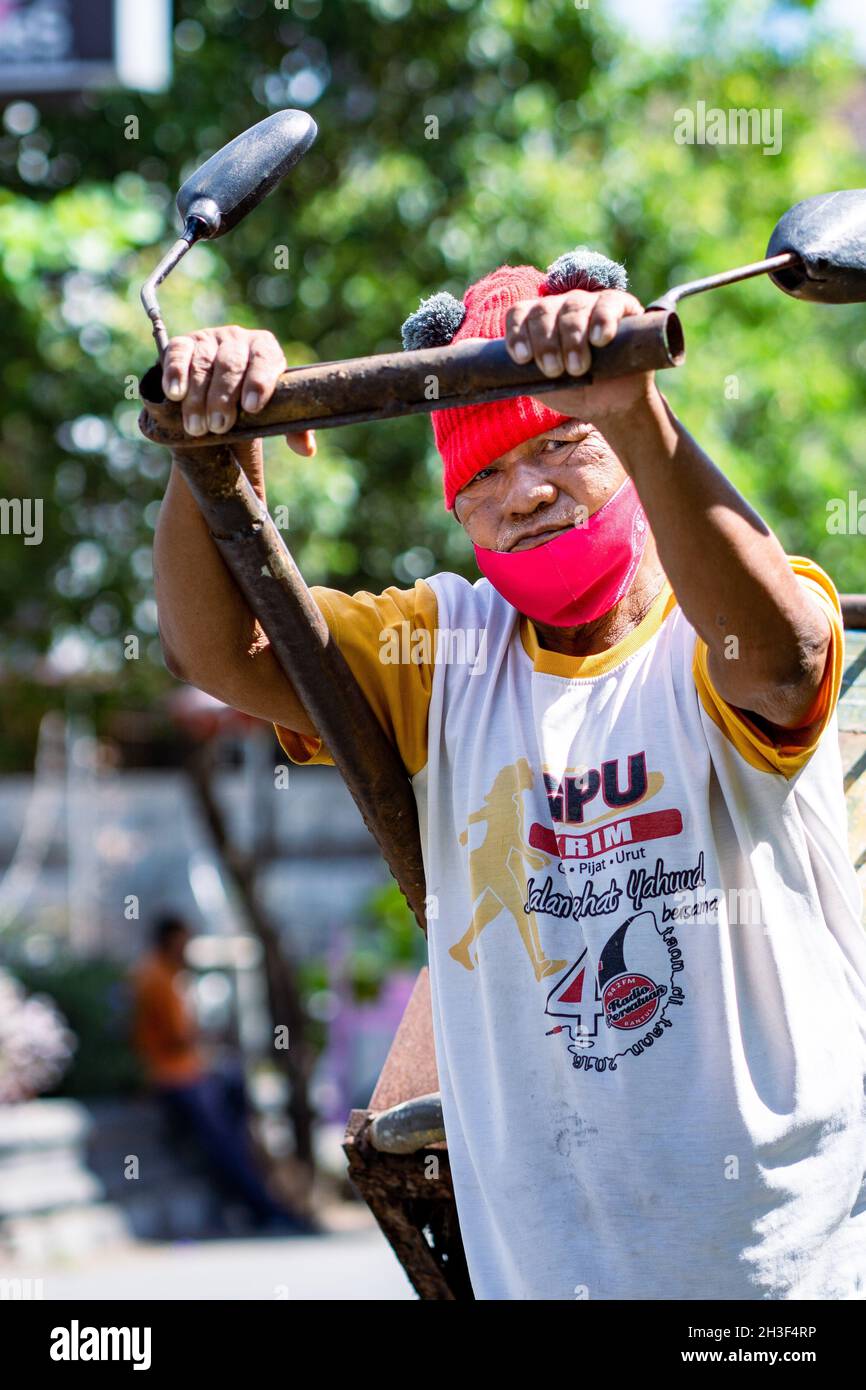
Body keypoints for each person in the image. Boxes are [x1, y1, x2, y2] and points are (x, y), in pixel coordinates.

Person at [152, 249, 866, 1299]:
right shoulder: (445, 650)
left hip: (780, 1278)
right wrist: (208, 457)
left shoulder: (720, 615)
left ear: (625, 451)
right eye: (482, 475)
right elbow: (219, 653)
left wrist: (631, 410)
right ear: (456, 511)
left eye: (563, 444)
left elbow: (777, 660)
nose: (524, 493)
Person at [131, 914, 312, 1234]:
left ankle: (267, 1197)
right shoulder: (157, 978)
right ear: (172, 941)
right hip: (176, 1078)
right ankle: (263, 1208)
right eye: (184, 941)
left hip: (190, 1071)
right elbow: (178, 1036)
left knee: (238, 1111)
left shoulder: (167, 975)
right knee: (226, 1142)